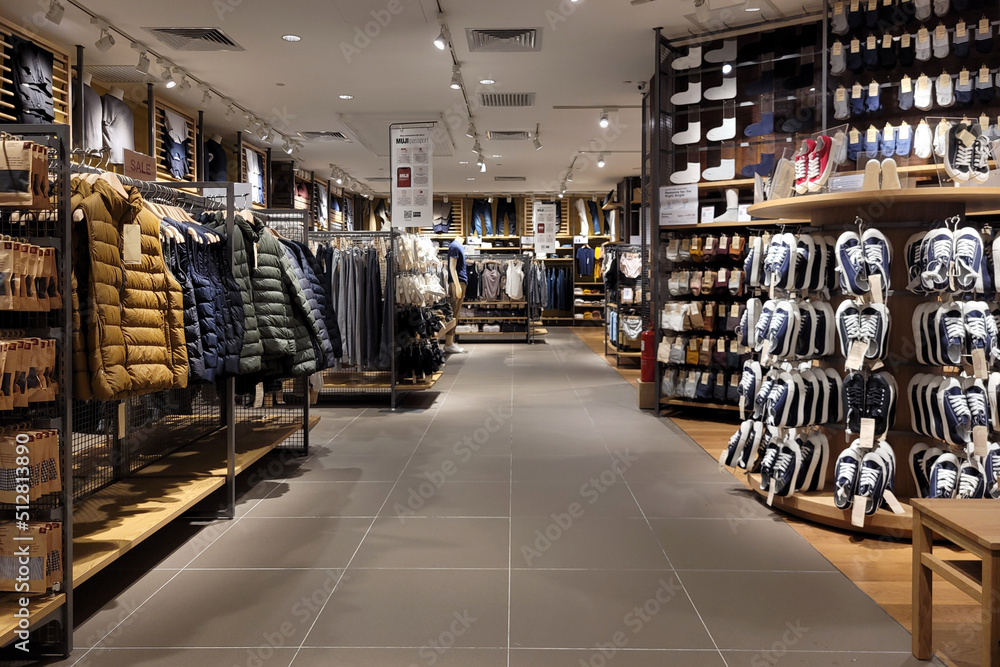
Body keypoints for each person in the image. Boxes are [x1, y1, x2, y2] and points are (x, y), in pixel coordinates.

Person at [445, 236, 468, 354]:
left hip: (459, 281)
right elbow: (452, 268)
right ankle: (448, 343)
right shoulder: (454, 246)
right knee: (454, 312)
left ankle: (451, 342)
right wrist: (458, 286)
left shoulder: (458, 246)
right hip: (457, 282)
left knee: (456, 312)